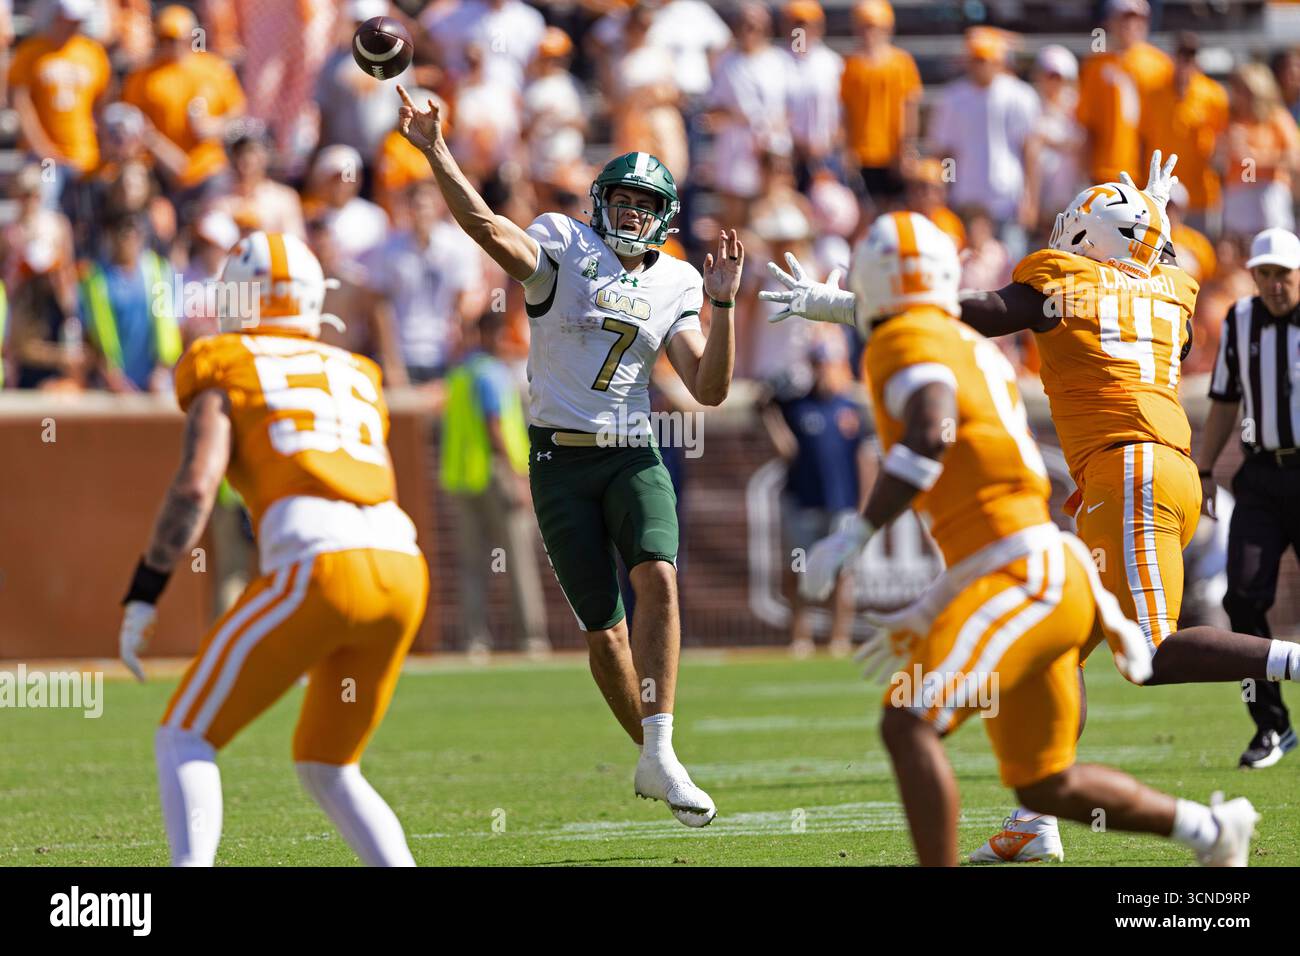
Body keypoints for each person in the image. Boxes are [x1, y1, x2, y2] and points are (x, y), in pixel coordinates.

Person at [762, 151, 1300, 861]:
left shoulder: (1067, 280)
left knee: (1152, 650)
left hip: (1128, 466)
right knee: (1056, 645)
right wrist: (1154, 218)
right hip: (1152, 466)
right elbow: (1140, 270)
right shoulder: (1175, 286)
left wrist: (843, 305)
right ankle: (1036, 818)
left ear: (1088, 239)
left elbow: (979, 312)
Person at [397, 83, 743, 826]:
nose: (631, 214)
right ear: (599, 202)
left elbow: (708, 390)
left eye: (646, 205)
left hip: (632, 451)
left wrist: (722, 307)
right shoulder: (564, 242)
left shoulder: (679, 278)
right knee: (603, 629)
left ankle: (662, 742)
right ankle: (656, 757)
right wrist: (435, 150)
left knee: (659, 576)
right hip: (558, 459)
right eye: (622, 200)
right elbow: (490, 229)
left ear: (664, 217)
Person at [116, 231, 428, 867]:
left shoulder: (223, 360)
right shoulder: (358, 372)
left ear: (238, 296)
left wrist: (145, 590)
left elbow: (196, 486)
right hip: (401, 567)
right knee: (329, 765)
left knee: (184, 734)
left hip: (320, 563)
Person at [1197, 227, 1300, 768]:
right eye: (1264, 273)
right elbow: (1223, 402)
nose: (1274, 284)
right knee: (1242, 596)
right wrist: (1207, 468)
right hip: (1261, 474)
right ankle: (1272, 726)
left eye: (1283, 273)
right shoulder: (1239, 320)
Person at [440, 310, 550, 659]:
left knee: (473, 565)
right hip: (497, 476)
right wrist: (519, 477)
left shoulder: (459, 374)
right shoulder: (492, 373)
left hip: (463, 479)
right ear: (491, 336)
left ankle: (475, 639)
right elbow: (495, 426)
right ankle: (530, 638)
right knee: (517, 561)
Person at [760, 337, 873, 657]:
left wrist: (864, 506)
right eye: (818, 364)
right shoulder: (797, 405)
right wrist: (769, 406)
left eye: (827, 363)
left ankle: (839, 639)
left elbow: (864, 460)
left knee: (841, 573)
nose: (823, 371)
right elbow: (784, 448)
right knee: (798, 571)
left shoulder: (848, 408)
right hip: (803, 501)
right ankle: (801, 637)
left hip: (841, 505)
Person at [121, 4, 247, 203]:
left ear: (191, 37)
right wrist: (157, 145)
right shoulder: (142, 77)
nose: (170, 46)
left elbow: (239, 118)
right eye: (164, 39)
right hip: (159, 171)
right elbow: (132, 124)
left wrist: (215, 127)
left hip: (208, 169)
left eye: (175, 39)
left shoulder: (213, 69)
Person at [8, 0, 111, 206]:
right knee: (46, 210)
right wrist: (42, 149)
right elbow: (21, 104)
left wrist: (102, 148)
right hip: (44, 159)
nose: (72, 24)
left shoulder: (92, 53)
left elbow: (102, 104)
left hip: (84, 156)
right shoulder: (32, 51)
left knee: (83, 221)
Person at [80, 211, 181, 393]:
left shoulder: (160, 271)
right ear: (110, 234)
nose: (129, 237)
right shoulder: (96, 278)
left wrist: (161, 372)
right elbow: (89, 336)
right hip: (112, 389)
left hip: (156, 387)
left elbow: (172, 329)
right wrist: (114, 379)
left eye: (135, 230)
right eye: (122, 231)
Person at [839, 0, 919, 211]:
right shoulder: (850, 65)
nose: (868, 32)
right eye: (863, 25)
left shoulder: (901, 62)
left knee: (895, 208)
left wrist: (907, 147)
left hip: (893, 152)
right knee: (864, 211)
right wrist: (847, 148)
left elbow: (909, 107)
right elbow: (845, 110)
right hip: (861, 152)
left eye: (873, 25)